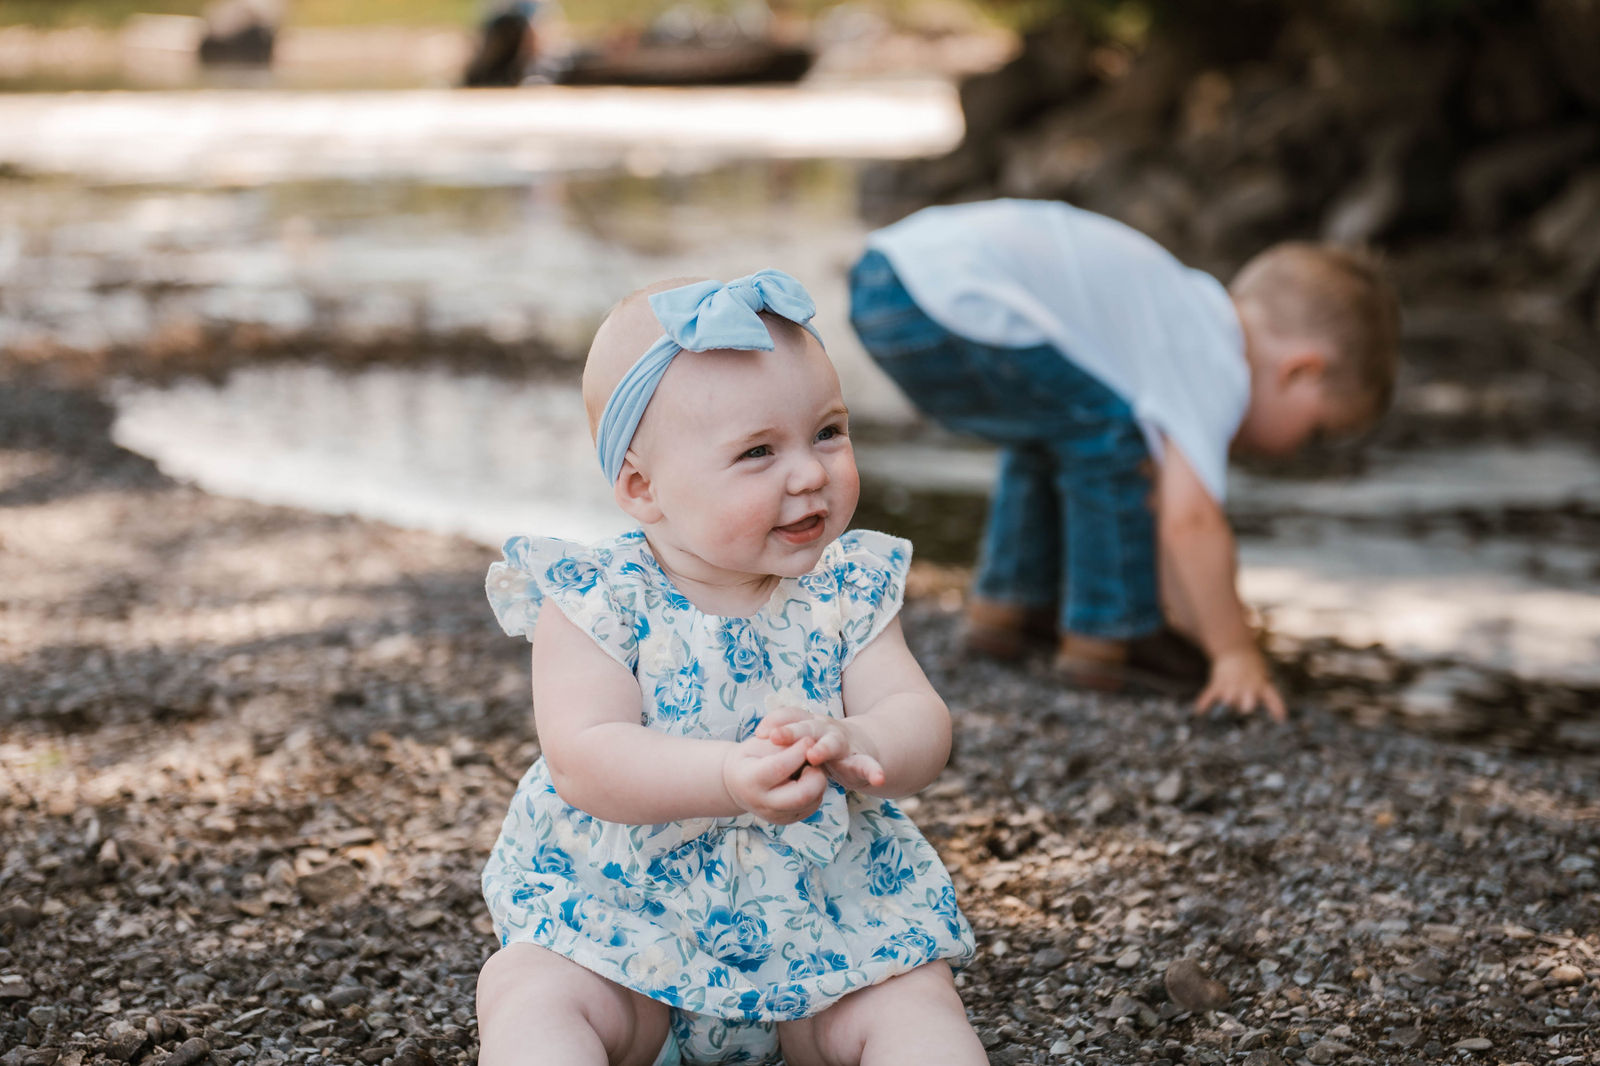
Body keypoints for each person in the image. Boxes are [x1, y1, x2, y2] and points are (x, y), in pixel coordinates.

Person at [476, 270, 984, 1066]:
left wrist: (856, 737)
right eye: (758, 451)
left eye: (828, 431)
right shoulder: (598, 599)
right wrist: (726, 777)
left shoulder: (845, 587)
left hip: (824, 936)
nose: (810, 472)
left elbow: (921, 724)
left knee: (915, 1001)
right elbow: (585, 757)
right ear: (642, 488)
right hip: (626, 936)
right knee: (528, 988)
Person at [848, 199, 1400, 721]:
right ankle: (1111, 636)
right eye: (1317, 433)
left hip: (889, 280)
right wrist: (1235, 653)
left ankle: (1012, 611)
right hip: (943, 298)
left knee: (1060, 425)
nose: (1304, 450)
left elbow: (1160, 508)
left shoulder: (1176, 319)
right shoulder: (1216, 358)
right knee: (1106, 435)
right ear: (1301, 370)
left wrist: (1191, 626)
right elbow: (1190, 522)